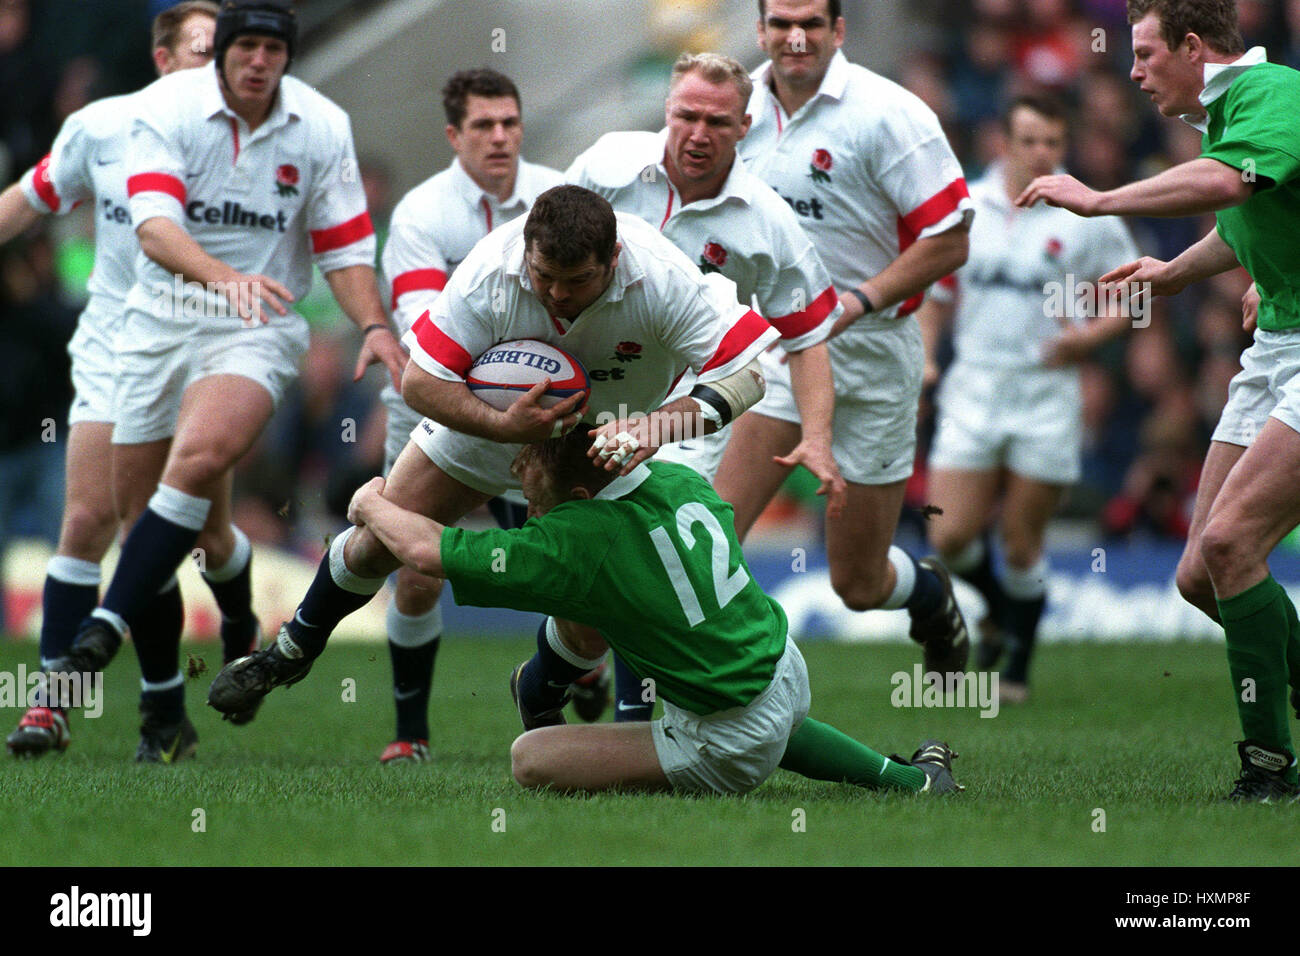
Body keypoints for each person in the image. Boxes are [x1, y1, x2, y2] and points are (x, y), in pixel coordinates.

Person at [207, 185, 779, 729]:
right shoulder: (490, 272)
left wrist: (655, 426)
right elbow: (422, 385)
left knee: (598, 610)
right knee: (381, 541)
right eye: (543, 275)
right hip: (489, 415)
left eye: (575, 281)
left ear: (615, 260)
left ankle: (540, 691)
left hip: (611, 432)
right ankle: (290, 649)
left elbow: (750, 372)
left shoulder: (663, 277)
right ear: (527, 250)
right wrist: (501, 424)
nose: (555, 294)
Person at [47, 0, 406, 763]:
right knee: (165, 522)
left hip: (254, 327)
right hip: (151, 326)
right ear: (198, 58)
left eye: (269, 50)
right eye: (237, 47)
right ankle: (186, 690)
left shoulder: (320, 126)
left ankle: (94, 640)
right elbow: (154, 226)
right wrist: (221, 274)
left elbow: (344, 249)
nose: (253, 61)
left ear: (286, 57)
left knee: (200, 460)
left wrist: (374, 326)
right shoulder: (159, 110)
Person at [343, 428, 961, 795]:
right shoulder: (674, 475)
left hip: (727, 733)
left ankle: (542, 692)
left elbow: (424, 549)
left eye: (535, 502)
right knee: (587, 621)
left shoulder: (577, 541)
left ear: (580, 496)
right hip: (782, 668)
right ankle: (910, 781)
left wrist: (372, 502)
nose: (530, 514)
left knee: (529, 760)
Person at [1017, 0, 1300, 800]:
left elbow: (1229, 184)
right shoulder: (1232, 120)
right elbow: (1246, 217)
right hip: (1278, 343)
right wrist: (1174, 273)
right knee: (1198, 575)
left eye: (1144, 55)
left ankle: (1270, 770)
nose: (1133, 72)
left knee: (1232, 541)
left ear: (1192, 45)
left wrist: (1103, 199)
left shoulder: (1273, 91)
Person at [1, 1, 261, 760]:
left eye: (227, 52)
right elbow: (30, 197)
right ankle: (59, 704)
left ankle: (235, 634)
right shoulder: (102, 127)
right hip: (118, 348)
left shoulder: (257, 137)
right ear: (163, 58)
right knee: (90, 522)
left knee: (207, 539)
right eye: (203, 49)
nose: (219, 66)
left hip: (211, 354)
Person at [563, 50, 845, 722]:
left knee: (652, 557)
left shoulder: (765, 221)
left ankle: (636, 720)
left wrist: (819, 439)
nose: (698, 132)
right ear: (667, 112)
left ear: (745, 125)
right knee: (584, 590)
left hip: (683, 415)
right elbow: (539, 248)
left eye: (717, 121)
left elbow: (806, 337)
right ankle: (550, 673)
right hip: (583, 394)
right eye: (686, 115)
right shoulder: (607, 166)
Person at [711, 0, 974, 679]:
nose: (795, 38)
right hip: (773, 352)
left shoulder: (891, 113)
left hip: (873, 355)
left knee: (855, 583)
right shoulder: (727, 109)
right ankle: (720, 697)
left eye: (812, 24)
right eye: (781, 23)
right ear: (762, 29)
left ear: (838, 31)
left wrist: (859, 300)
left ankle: (929, 592)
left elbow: (951, 240)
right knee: (710, 540)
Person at [918, 95, 1139, 704]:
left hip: (1046, 393)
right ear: (1004, 144)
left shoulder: (1084, 214)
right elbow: (935, 293)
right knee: (949, 537)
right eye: (1031, 141)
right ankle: (995, 609)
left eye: (1053, 142)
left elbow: (1134, 295)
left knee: (1021, 541)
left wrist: (1087, 339)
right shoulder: (966, 205)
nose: (1042, 153)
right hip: (975, 387)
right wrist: (929, 361)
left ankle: (1015, 665)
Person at [373, 69, 562, 764]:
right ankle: (408, 734)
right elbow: (425, 334)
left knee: (563, 557)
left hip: (531, 407)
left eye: (510, 122)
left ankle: (565, 676)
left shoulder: (557, 194)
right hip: (436, 407)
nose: (500, 137)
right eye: (483, 126)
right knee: (416, 575)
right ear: (453, 135)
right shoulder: (422, 215)